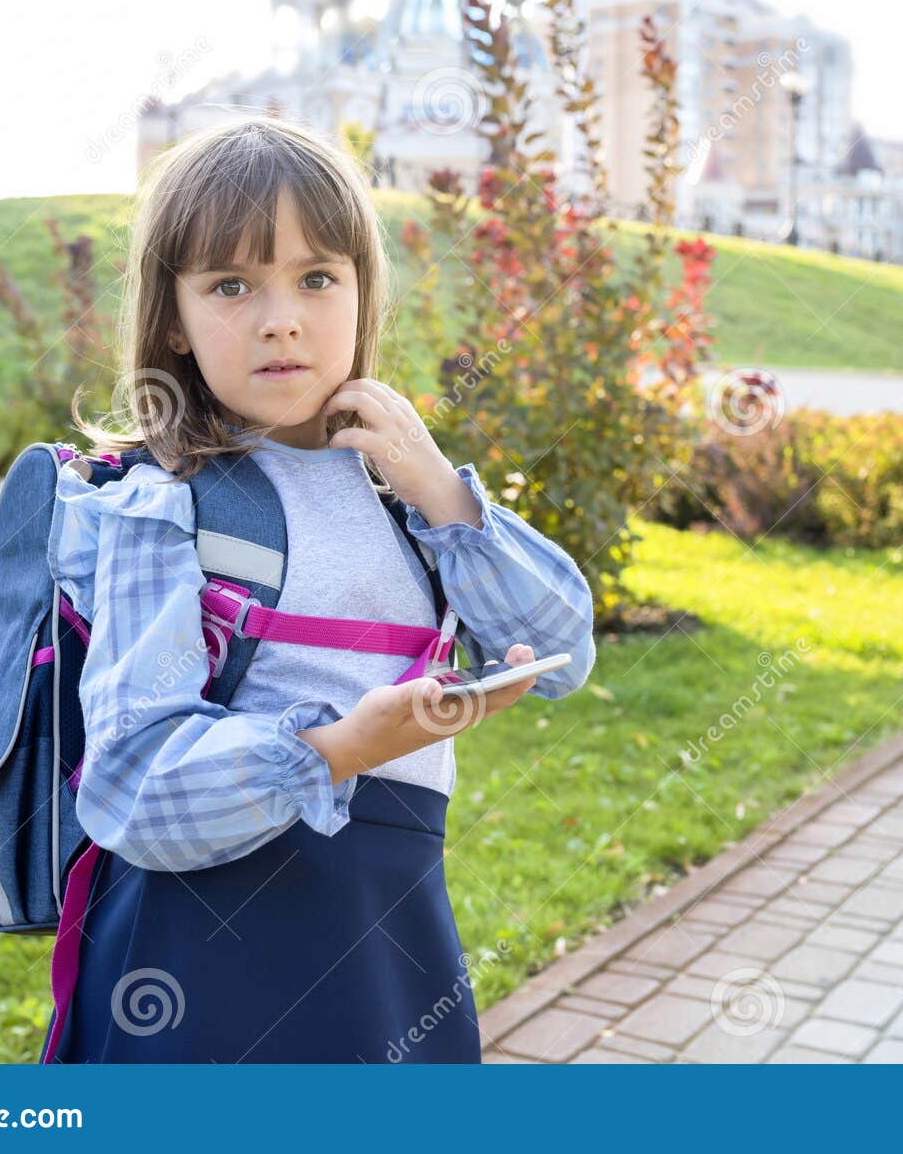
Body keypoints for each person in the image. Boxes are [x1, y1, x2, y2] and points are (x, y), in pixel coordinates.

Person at [38, 115, 596, 1063]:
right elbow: (132, 788)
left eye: (316, 278)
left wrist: (440, 488)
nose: (281, 318)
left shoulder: (400, 486)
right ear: (172, 315)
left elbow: (565, 654)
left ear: (360, 289)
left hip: (389, 930)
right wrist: (346, 747)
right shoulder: (162, 502)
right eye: (230, 285)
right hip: (193, 960)